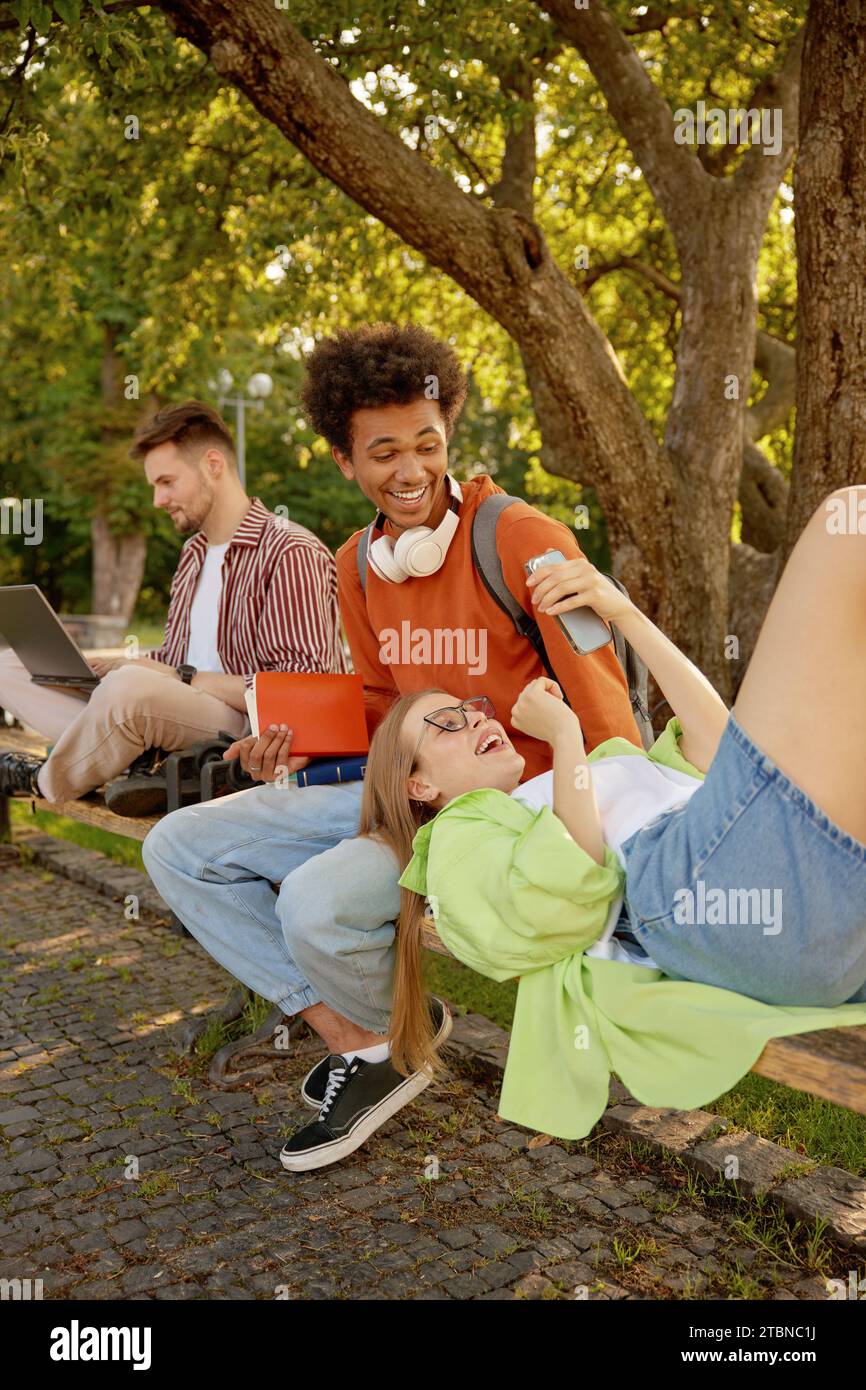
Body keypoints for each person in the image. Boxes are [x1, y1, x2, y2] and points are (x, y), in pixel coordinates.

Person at [142, 323, 642, 1173]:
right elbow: (379, 710)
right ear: (344, 461)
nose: (409, 470)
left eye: (428, 444)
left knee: (310, 902)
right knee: (176, 845)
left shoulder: (524, 537)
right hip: (408, 794)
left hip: (513, 817)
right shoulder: (354, 566)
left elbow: (611, 718)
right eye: (382, 453)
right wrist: (298, 749)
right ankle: (369, 1039)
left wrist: (598, 847)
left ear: (450, 435)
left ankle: (380, 1050)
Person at [355, 486, 866, 1139]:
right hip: (702, 897)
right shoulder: (461, 837)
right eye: (445, 725)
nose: (474, 717)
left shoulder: (602, 764)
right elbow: (569, 893)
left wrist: (623, 615)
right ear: (418, 787)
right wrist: (565, 735)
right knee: (846, 524)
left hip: (752, 864)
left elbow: (719, 743)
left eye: (471, 707)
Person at [0, 401, 345, 814]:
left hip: (236, 731)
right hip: (170, 707)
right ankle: (138, 759)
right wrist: (110, 664)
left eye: (166, 482)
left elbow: (302, 691)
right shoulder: (194, 553)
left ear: (212, 464)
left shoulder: (289, 550)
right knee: (11, 667)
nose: (157, 500)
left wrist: (176, 676)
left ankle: (43, 780)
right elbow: (172, 658)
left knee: (128, 689)